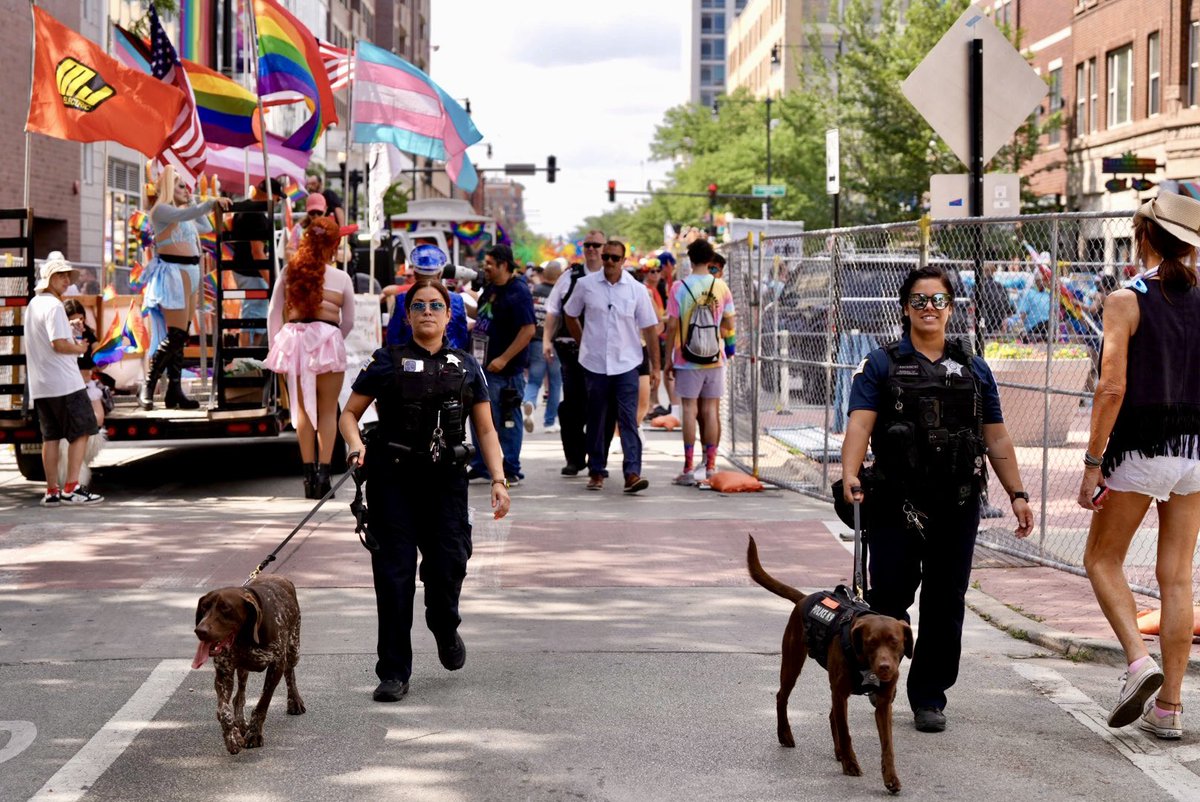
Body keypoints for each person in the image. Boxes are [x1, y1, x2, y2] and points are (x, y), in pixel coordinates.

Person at [840, 265, 1033, 733]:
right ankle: (878, 678)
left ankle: (929, 697)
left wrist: (1018, 493)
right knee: (888, 598)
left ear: (951, 307)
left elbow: (997, 438)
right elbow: (861, 423)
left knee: (946, 603)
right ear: (905, 308)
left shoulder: (974, 367)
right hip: (894, 502)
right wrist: (849, 472)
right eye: (920, 301)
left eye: (938, 300)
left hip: (958, 502)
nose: (929, 308)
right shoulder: (880, 364)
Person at [340, 280, 511, 703]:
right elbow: (348, 415)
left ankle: (444, 624)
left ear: (449, 315)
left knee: (448, 566)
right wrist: (356, 446)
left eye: (436, 305)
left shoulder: (467, 365)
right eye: (419, 306)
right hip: (393, 480)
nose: (428, 312)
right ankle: (394, 671)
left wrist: (499, 479)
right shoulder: (386, 361)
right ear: (407, 315)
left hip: (446, 483)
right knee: (394, 577)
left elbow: (486, 429)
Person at [1077, 191, 1200, 741]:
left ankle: (1136, 662)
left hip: (1142, 448)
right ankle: (1170, 709)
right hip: (1196, 452)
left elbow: (1111, 386)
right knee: (1176, 578)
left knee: (1102, 559)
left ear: (1143, 235)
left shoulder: (1126, 299)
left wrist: (1092, 462)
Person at [264, 217, 356, 499]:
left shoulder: (289, 272)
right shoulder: (342, 279)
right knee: (328, 411)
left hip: (295, 344)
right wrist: (330, 337)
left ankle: (307, 478)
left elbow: (272, 316)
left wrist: (277, 348)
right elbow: (349, 322)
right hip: (328, 341)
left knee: (302, 411)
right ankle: (324, 475)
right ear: (332, 246)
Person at [563, 239, 661, 493]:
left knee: (628, 420)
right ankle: (596, 471)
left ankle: (632, 473)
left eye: (614, 258)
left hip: (627, 364)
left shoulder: (636, 289)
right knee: (596, 419)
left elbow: (650, 329)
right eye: (606, 257)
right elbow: (570, 313)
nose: (608, 262)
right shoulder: (585, 285)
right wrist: (583, 340)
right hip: (594, 364)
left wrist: (657, 366)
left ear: (623, 261)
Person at [140, 165, 232, 410]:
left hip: (191, 272)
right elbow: (185, 215)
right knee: (176, 336)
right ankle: (148, 385)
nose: (186, 190)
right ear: (170, 186)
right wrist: (210, 201)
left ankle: (174, 391)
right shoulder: (161, 210)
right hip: (173, 273)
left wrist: (192, 199)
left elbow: (206, 226)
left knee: (181, 338)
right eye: (181, 185)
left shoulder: (182, 212)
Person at [26, 256, 103, 505]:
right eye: (61, 275)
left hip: (41, 384)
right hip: (65, 383)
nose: (66, 280)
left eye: (67, 275)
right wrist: (79, 347)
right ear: (49, 279)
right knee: (82, 431)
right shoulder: (55, 306)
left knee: (50, 438)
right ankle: (72, 488)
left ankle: (51, 491)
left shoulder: (34, 304)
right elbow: (58, 344)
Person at [663, 239, 736, 486]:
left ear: (690, 259)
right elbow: (729, 324)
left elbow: (671, 325)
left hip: (686, 359)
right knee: (710, 411)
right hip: (715, 359)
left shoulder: (678, 287)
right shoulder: (722, 287)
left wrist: (668, 359)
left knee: (689, 410)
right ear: (710, 259)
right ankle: (711, 465)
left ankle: (687, 467)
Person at [465, 244, 536, 485]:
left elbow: (528, 330)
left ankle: (511, 468)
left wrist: (504, 358)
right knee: (480, 416)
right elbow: (483, 314)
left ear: (504, 265)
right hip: (482, 364)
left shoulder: (519, 292)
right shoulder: (491, 288)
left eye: (489, 265)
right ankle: (482, 464)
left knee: (506, 419)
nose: (485, 269)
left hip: (505, 372)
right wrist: (457, 303)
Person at [542, 231, 606, 476]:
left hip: (603, 354)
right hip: (572, 351)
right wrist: (546, 340)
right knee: (572, 407)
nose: (592, 249)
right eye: (588, 245)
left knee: (599, 408)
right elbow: (553, 310)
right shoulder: (570, 276)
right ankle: (574, 458)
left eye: (596, 245)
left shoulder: (612, 277)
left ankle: (596, 459)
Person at [385, 245, 470, 350]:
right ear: (439, 274)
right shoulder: (457, 300)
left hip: (408, 362)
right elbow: (463, 338)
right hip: (449, 362)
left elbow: (393, 338)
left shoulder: (402, 299)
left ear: (415, 274)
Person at [523, 258, 563, 433]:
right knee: (555, 383)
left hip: (535, 341)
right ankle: (549, 421)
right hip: (553, 342)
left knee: (534, 379)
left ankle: (529, 402)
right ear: (559, 276)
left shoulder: (533, 291)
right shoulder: (559, 293)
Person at [63, 299, 105, 428]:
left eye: (81, 319)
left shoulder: (87, 333)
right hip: (69, 386)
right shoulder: (62, 337)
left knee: (97, 420)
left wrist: (104, 356)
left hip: (87, 384)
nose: (78, 324)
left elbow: (98, 351)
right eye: (73, 321)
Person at [285, 192, 327, 261]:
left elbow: (347, 254)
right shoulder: (299, 229)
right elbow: (289, 251)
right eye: (312, 212)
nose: (316, 216)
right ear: (307, 211)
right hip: (305, 268)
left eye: (319, 212)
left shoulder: (331, 228)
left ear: (325, 210)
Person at [1016, 267, 1052, 341]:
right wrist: (1021, 329)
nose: (1041, 282)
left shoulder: (1048, 294)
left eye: (1043, 280)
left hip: (1047, 325)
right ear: (1035, 281)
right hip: (1034, 327)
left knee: (1048, 324)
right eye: (1039, 280)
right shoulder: (1029, 293)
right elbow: (1023, 313)